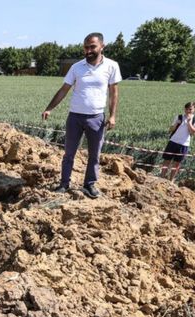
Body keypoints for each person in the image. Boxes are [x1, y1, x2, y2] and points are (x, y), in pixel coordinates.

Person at [42, 32, 122, 199]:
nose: (88, 50)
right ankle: (64, 184)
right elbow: (64, 90)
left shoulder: (112, 66)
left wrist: (113, 116)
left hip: (96, 118)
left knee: (94, 155)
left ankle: (89, 184)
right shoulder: (76, 67)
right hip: (75, 118)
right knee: (69, 153)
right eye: (86, 47)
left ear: (102, 46)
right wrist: (49, 108)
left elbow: (114, 93)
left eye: (92, 46)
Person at [160, 102, 195, 181]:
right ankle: (161, 178)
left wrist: (189, 122)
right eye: (186, 108)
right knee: (166, 161)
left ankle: (171, 180)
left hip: (184, 144)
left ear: (194, 109)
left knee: (177, 163)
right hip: (173, 141)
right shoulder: (179, 117)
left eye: (190, 109)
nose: (188, 110)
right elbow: (170, 130)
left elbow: (193, 132)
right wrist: (175, 124)